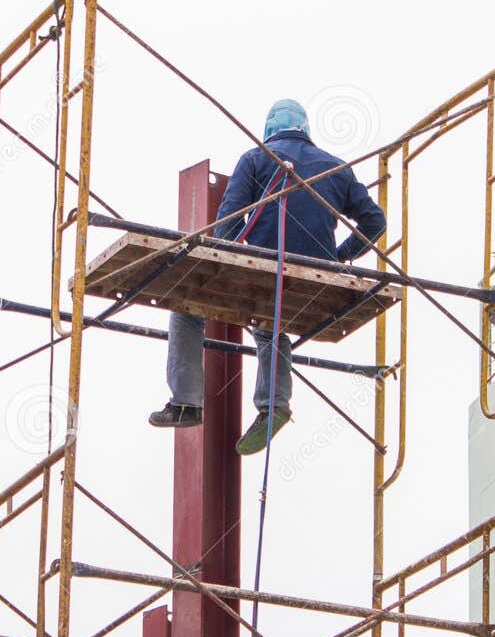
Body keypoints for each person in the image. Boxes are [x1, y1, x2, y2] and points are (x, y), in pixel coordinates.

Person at [149, 98, 387, 455]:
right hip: (318, 276)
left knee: (185, 304)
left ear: (269, 130)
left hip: (264, 267)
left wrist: (226, 264)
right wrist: (341, 255)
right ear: (306, 130)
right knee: (269, 325)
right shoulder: (337, 168)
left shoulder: (257, 158)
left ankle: (187, 402)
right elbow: (375, 223)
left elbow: (228, 221)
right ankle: (274, 404)